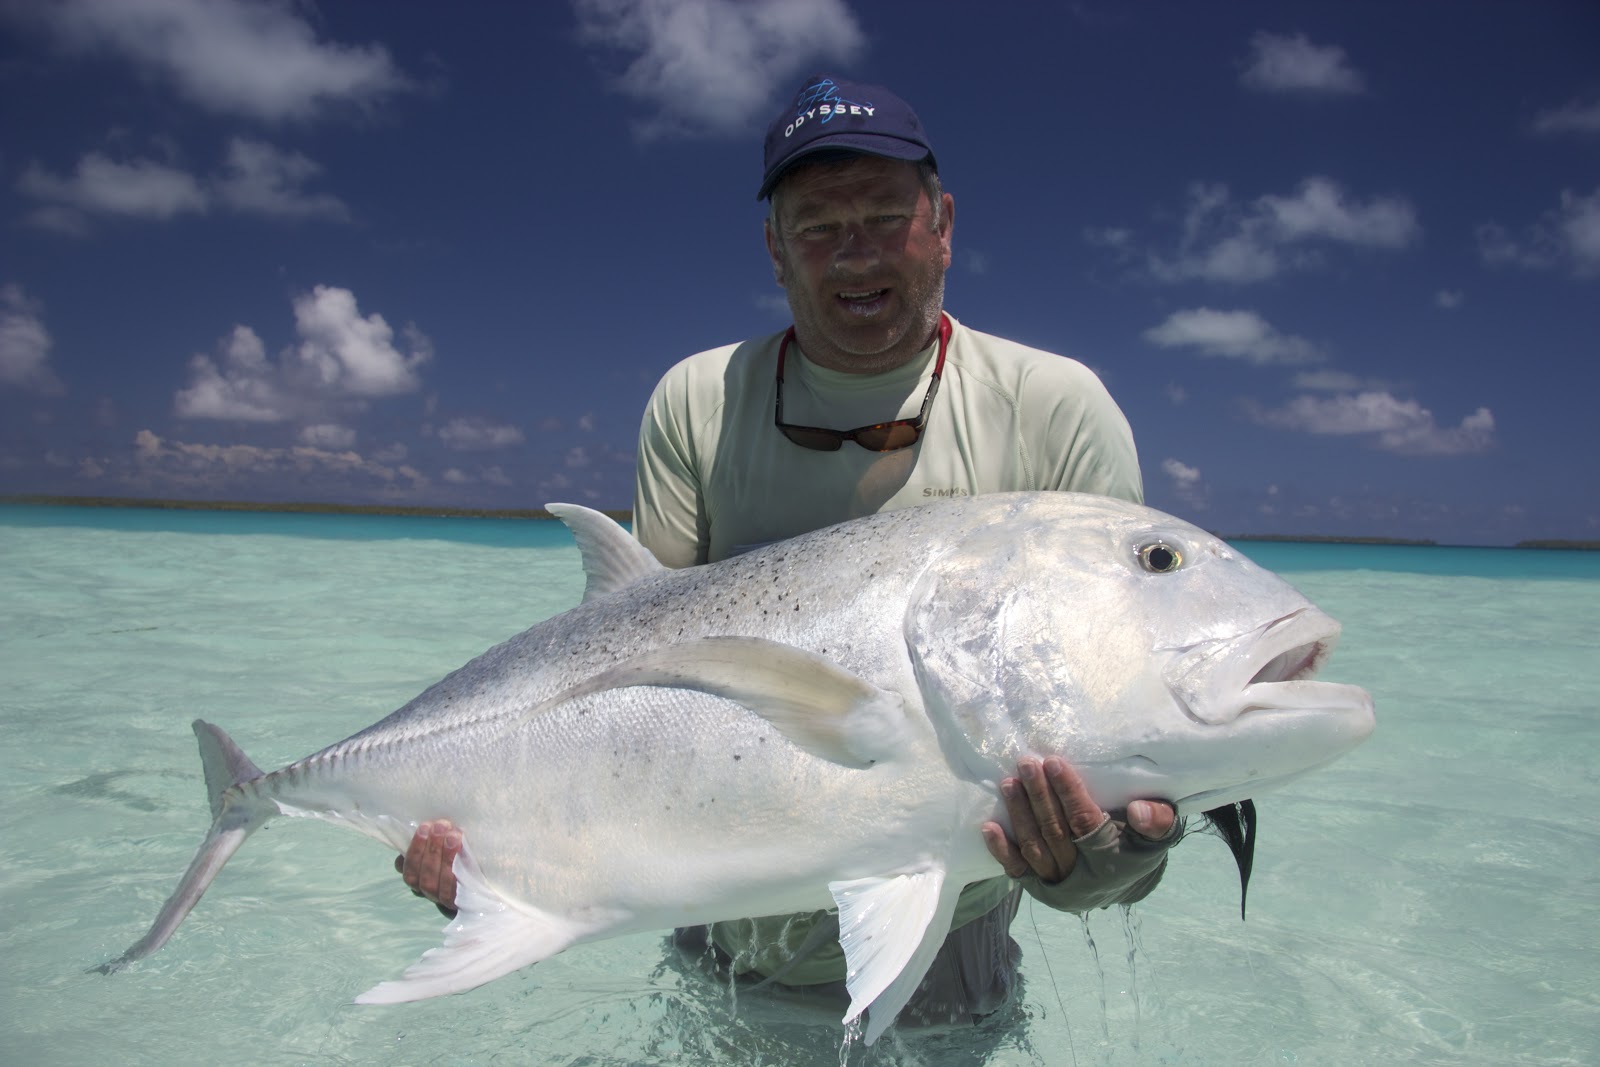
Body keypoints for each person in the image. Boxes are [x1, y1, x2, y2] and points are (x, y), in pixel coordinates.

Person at [398, 74, 1178, 1030]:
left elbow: (1121, 749)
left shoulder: (1057, 410)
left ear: (943, 222)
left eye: (887, 216)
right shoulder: (698, 402)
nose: (854, 252)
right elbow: (630, 681)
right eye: (816, 226)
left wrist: (1106, 862)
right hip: (722, 937)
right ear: (775, 249)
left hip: (948, 936)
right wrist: (507, 869)